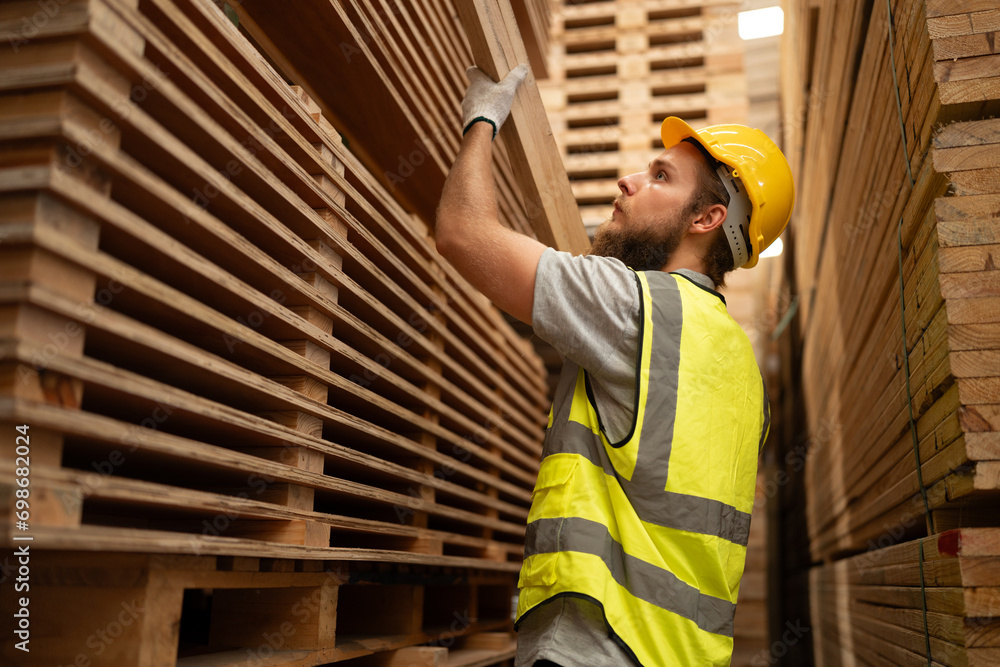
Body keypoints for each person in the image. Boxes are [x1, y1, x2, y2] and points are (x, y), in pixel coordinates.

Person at [435, 65, 794, 667]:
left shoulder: (638, 306)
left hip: (597, 646)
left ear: (705, 220)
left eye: (660, 176)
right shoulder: (741, 370)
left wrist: (480, 121)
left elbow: (461, 234)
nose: (627, 181)